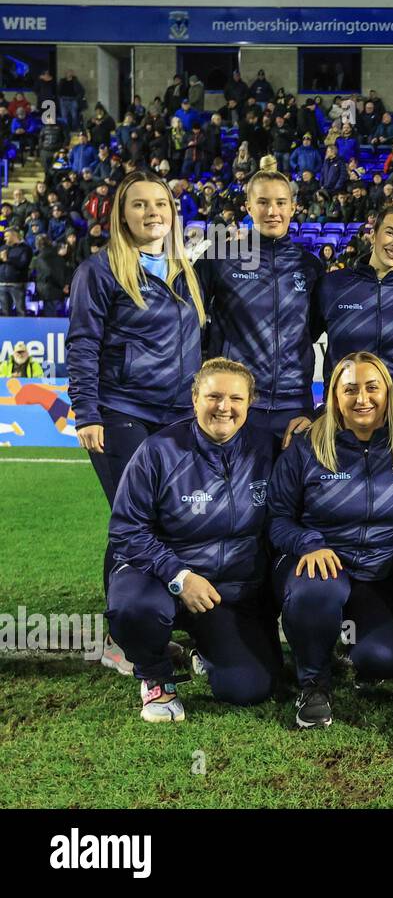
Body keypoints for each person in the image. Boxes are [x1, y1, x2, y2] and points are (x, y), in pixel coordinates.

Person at [67, 170, 209, 672]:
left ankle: (154, 624)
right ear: (121, 216)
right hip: (121, 413)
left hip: (178, 417)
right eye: (139, 205)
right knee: (132, 522)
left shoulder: (184, 268)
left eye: (161, 204)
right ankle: (120, 638)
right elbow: (82, 343)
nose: (152, 212)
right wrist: (86, 412)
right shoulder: (100, 271)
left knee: (172, 521)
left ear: (173, 214)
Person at [105, 358, 281, 721]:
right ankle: (155, 675)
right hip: (160, 579)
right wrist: (180, 576)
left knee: (248, 689)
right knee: (134, 607)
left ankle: (207, 647)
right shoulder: (158, 451)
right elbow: (125, 531)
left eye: (235, 398)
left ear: (250, 403)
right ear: (195, 397)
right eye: (213, 396)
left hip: (227, 593)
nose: (224, 407)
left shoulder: (268, 450)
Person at [269, 353, 393, 729]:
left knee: (385, 660)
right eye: (350, 390)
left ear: (388, 395)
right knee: (319, 589)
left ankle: (343, 639)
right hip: (315, 569)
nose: (362, 399)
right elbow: (277, 518)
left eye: (372, 388)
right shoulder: (307, 447)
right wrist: (309, 543)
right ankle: (313, 683)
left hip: (378, 575)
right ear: (333, 397)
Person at [199, 168, 321, 454]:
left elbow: (312, 329)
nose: (272, 211)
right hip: (236, 404)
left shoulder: (310, 267)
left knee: (289, 498)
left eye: (280, 202)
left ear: (293, 207)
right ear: (248, 207)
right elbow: (186, 319)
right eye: (263, 202)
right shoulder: (221, 259)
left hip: (294, 407)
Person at [313, 188, 393, 402]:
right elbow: (297, 344)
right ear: (374, 233)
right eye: (390, 232)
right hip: (344, 416)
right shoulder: (333, 285)